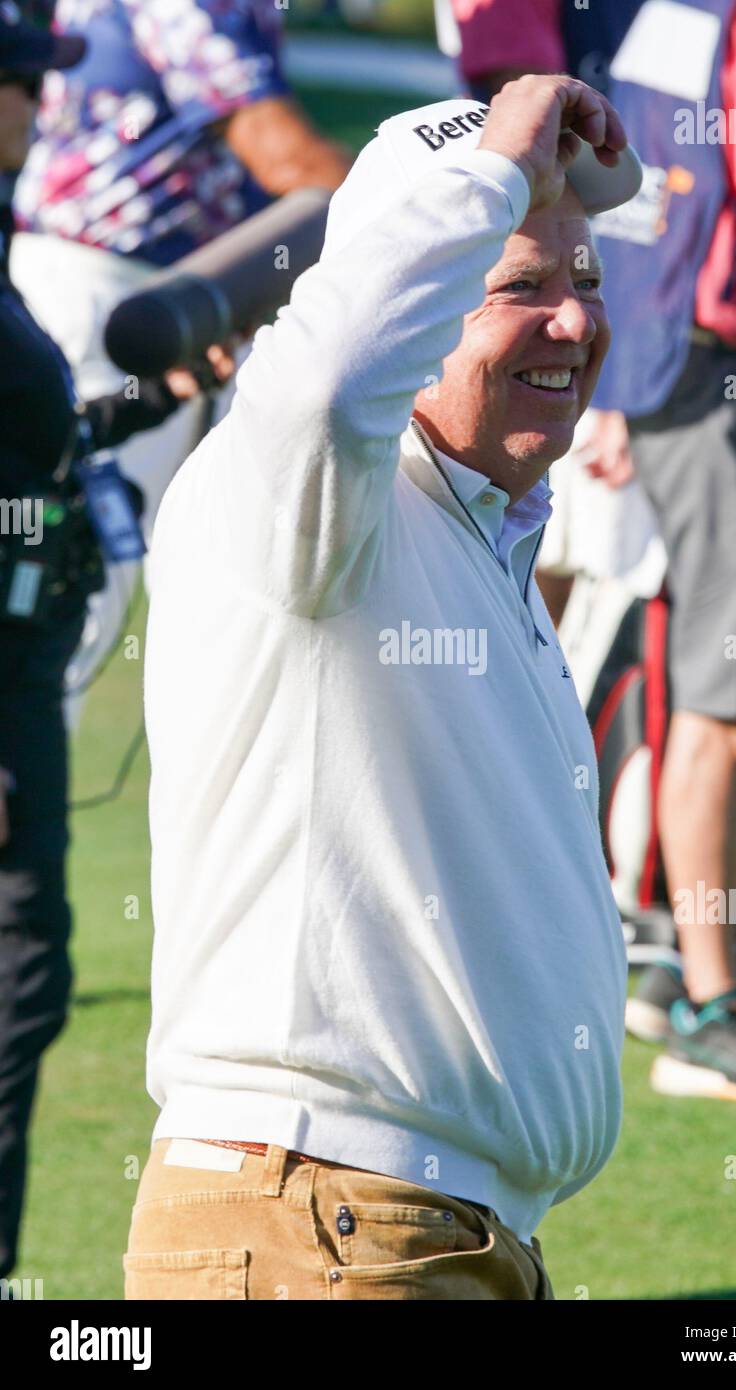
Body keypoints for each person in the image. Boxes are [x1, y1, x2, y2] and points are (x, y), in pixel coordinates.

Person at [123, 75, 640, 1301]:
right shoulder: (310, 500)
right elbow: (319, 383)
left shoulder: (474, 528)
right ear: (406, 302)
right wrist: (487, 166)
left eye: (586, 282)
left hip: (401, 1229)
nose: (571, 323)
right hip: (323, 1220)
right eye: (519, 284)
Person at [453, 0, 736, 1101]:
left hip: (683, 363)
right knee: (726, 698)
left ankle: (683, 946)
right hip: (733, 367)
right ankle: (703, 997)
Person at [0, 4, 233, 1282]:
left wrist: (146, 399)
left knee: (26, 990)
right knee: (17, 983)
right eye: (26, 81)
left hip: (28, 668)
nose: (45, 110)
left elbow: (29, 444)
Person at [11, 0, 352, 722]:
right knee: (68, 582)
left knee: (115, 584)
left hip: (147, 294)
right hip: (109, 295)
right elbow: (280, 152)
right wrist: (430, 220)